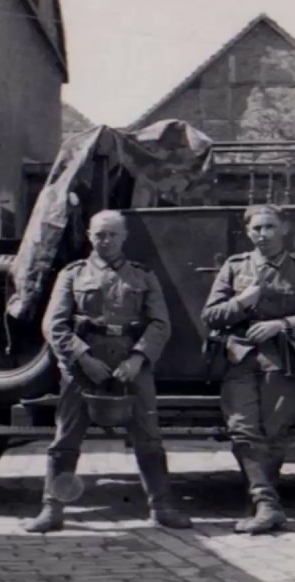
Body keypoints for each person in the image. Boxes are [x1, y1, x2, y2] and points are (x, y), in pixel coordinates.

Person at [23, 210, 192, 533]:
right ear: (89, 235)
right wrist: (82, 357)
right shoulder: (72, 275)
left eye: (113, 234)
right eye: (100, 234)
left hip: (132, 364)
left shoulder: (143, 276)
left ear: (124, 237)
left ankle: (162, 507)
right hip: (84, 366)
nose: (106, 240)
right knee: (66, 439)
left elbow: (160, 324)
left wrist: (138, 359)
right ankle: (52, 508)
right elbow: (54, 324)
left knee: (149, 437)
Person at [201, 205, 295, 535]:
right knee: (243, 430)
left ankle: (261, 505)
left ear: (284, 229)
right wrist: (243, 302)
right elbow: (210, 315)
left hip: (283, 359)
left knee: (274, 433)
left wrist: (283, 324)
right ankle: (267, 504)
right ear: (248, 232)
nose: (263, 234)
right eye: (257, 228)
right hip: (241, 359)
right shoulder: (235, 268)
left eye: (270, 227)